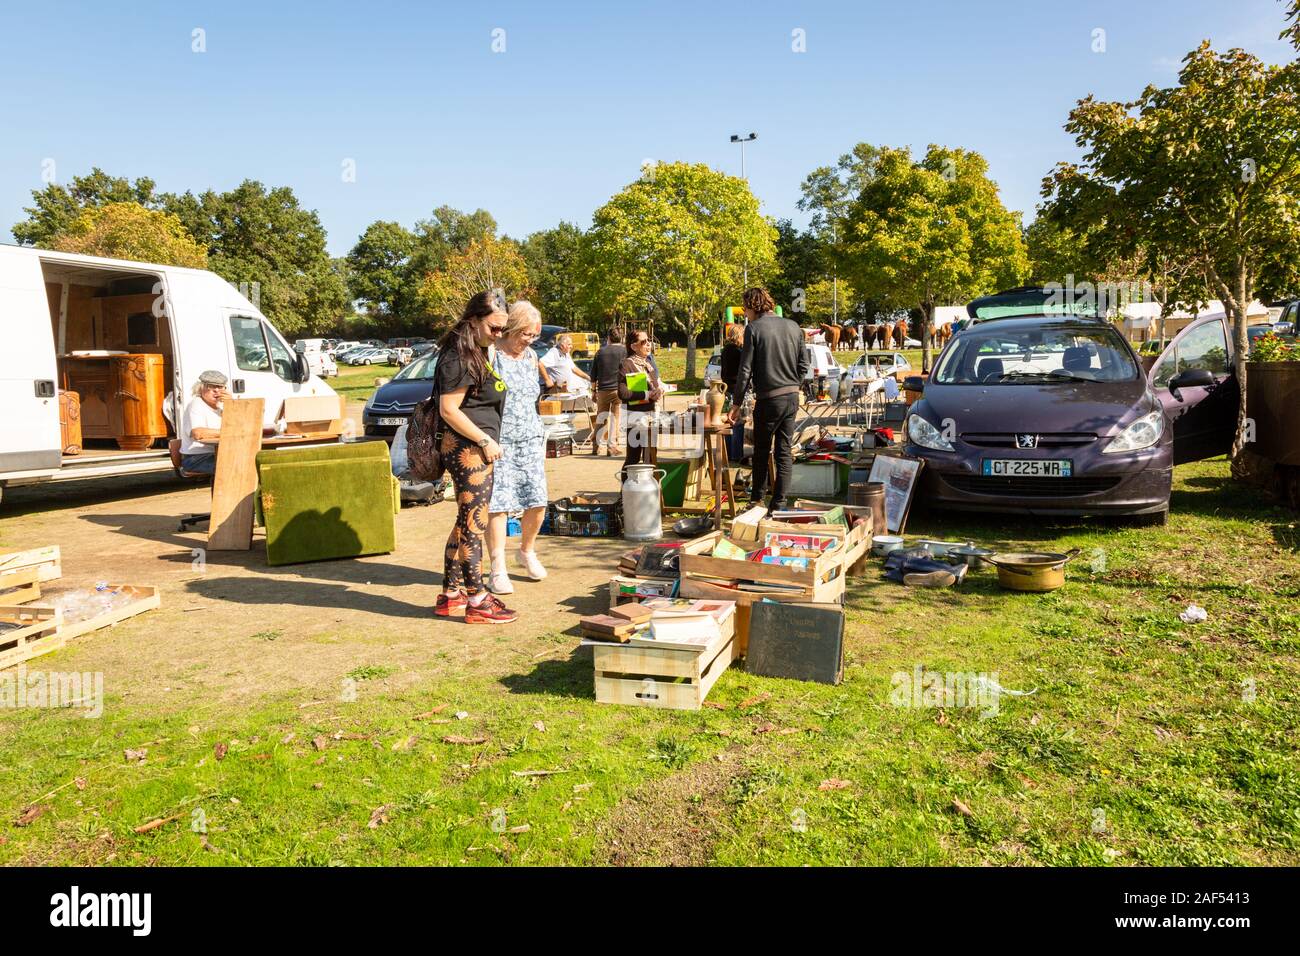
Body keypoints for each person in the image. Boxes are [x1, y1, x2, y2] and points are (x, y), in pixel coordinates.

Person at [433, 291, 517, 625]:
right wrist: (484, 439)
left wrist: (492, 348)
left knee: (464, 523)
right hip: (469, 450)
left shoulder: (476, 351)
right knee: (474, 525)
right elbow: (448, 409)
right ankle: (478, 600)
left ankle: (450, 594)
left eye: (502, 330)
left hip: (475, 448)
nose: (498, 335)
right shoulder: (458, 356)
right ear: (473, 320)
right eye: (494, 328)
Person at [484, 301, 549, 594]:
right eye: (526, 334)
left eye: (534, 335)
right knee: (499, 505)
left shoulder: (531, 355)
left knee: (537, 500)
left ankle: (526, 551)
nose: (530, 340)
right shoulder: (492, 356)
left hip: (530, 438)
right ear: (510, 329)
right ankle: (497, 568)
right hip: (500, 442)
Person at [728, 287, 809, 513]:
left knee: (762, 451)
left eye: (745, 309)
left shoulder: (753, 329)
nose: (744, 314)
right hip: (791, 397)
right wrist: (794, 383)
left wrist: (735, 404)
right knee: (784, 452)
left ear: (753, 306)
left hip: (769, 398)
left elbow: (745, 370)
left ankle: (757, 501)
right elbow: (804, 365)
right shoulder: (793, 326)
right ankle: (779, 505)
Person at [618, 328, 664, 466]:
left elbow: (655, 386)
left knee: (651, 456)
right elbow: (623, 393)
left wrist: (659, 390)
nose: (648, 344)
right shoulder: (627, 364)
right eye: (644, 342)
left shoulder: (648, 364)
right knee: (633, 458)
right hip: (635, 417)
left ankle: (649, 486)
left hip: (651, 415)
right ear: (633, 346)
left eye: (649, 340)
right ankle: (626, 488)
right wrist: (647, 394)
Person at [179, 370, 228, 475]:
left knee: (250, 460)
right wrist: (229, 432)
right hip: (196, 458)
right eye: (211, 386)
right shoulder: (196, 405)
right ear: (200, 388)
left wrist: (232, 404)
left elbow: (240, 425)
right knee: (233, 465)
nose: (216, 390)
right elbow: (198, 433)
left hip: (218, 453)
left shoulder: (221, 407)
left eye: (220, 387)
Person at [590, 328, 626, 456]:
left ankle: (596, 446)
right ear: (621, 338)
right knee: (615, 419)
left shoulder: (600, 352)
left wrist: (593, 391)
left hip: (603, 390)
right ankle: (612, 447)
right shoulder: (625, 351)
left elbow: (593, 375)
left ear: (609, 338)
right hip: (618, 390)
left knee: (601, 418)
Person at [719, 322, 745, 462]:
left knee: (727, 422)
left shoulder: (725, 350)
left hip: (725, 389)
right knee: (737, 422)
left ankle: (727, 453)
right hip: (736, 389)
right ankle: (736, 454)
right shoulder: (738, 352)